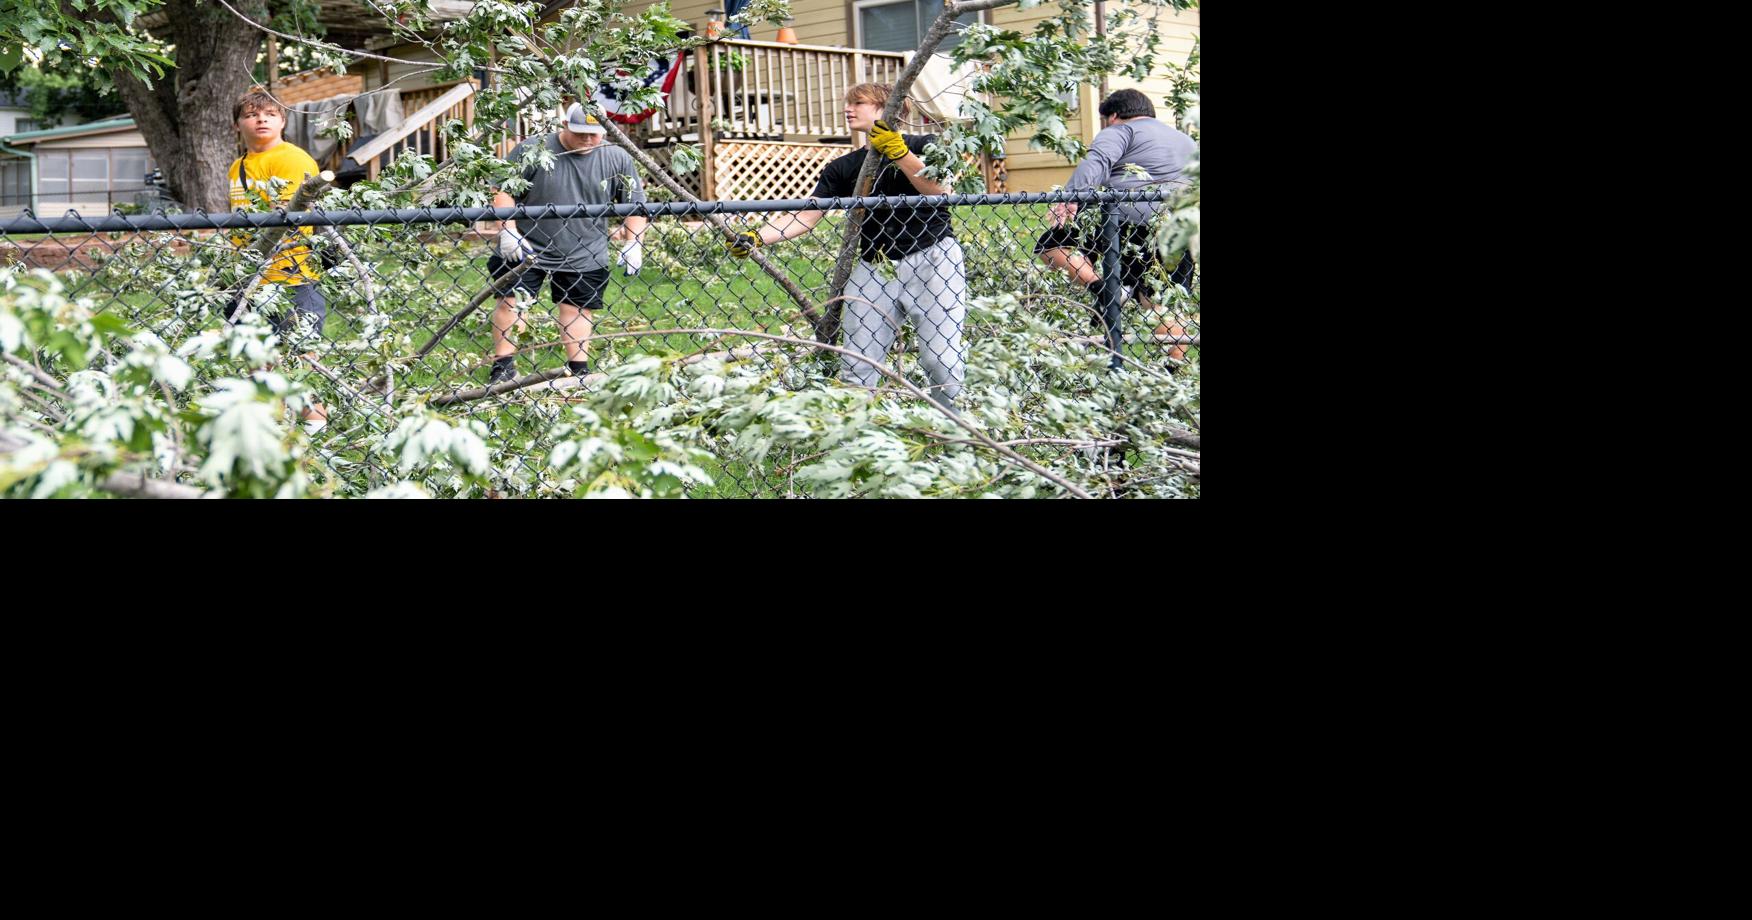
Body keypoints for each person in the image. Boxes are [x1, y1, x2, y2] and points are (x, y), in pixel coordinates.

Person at [725, 83, 966, 409]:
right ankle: (856, 430)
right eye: (848, 103)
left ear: (888, 107)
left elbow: (939, 191)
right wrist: (756, 238)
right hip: (875, 265)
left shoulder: (925, 146)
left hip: (932, 257)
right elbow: (806, 217)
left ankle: (955, 428)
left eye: (858, 102)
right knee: (857, 365)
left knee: (941, 361)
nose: (847, 109)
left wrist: (899, 152)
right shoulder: (843, 167)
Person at [477, 103, 648, 385]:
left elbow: (634, 204)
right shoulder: (534, 150)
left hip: (585, 248)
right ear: (565, 125)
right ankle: (503, 367)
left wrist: (634, 243)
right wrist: (508, 231)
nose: (588, 139)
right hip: (527, 244)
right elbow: (503, 190)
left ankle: (578, 371)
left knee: (577, 308)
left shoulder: (616, 157)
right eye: (580, 133)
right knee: (512, 302)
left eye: (594, 134)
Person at [1033, 89, 1198, 362]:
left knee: (1051, 246)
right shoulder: (1185, 140)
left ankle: (1105, 289)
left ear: (1113, 116)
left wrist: (1071, 198)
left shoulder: (1122, 131)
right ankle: (1171, 372)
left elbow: (1096, 162)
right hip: (1180, 227)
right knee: (1164, 303)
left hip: (1126, 221)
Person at [226, 90, 328, 428]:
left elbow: (288, 218)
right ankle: (272, 428)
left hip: (291, 276)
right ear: (237, 124)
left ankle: (315, 428)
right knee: (259, 362)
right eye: (251, 114)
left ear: (282, 121)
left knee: (300, 361)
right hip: (249, 280)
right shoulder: (237, 167)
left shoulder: (292, 159)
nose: (261, 120)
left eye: (270, 114)